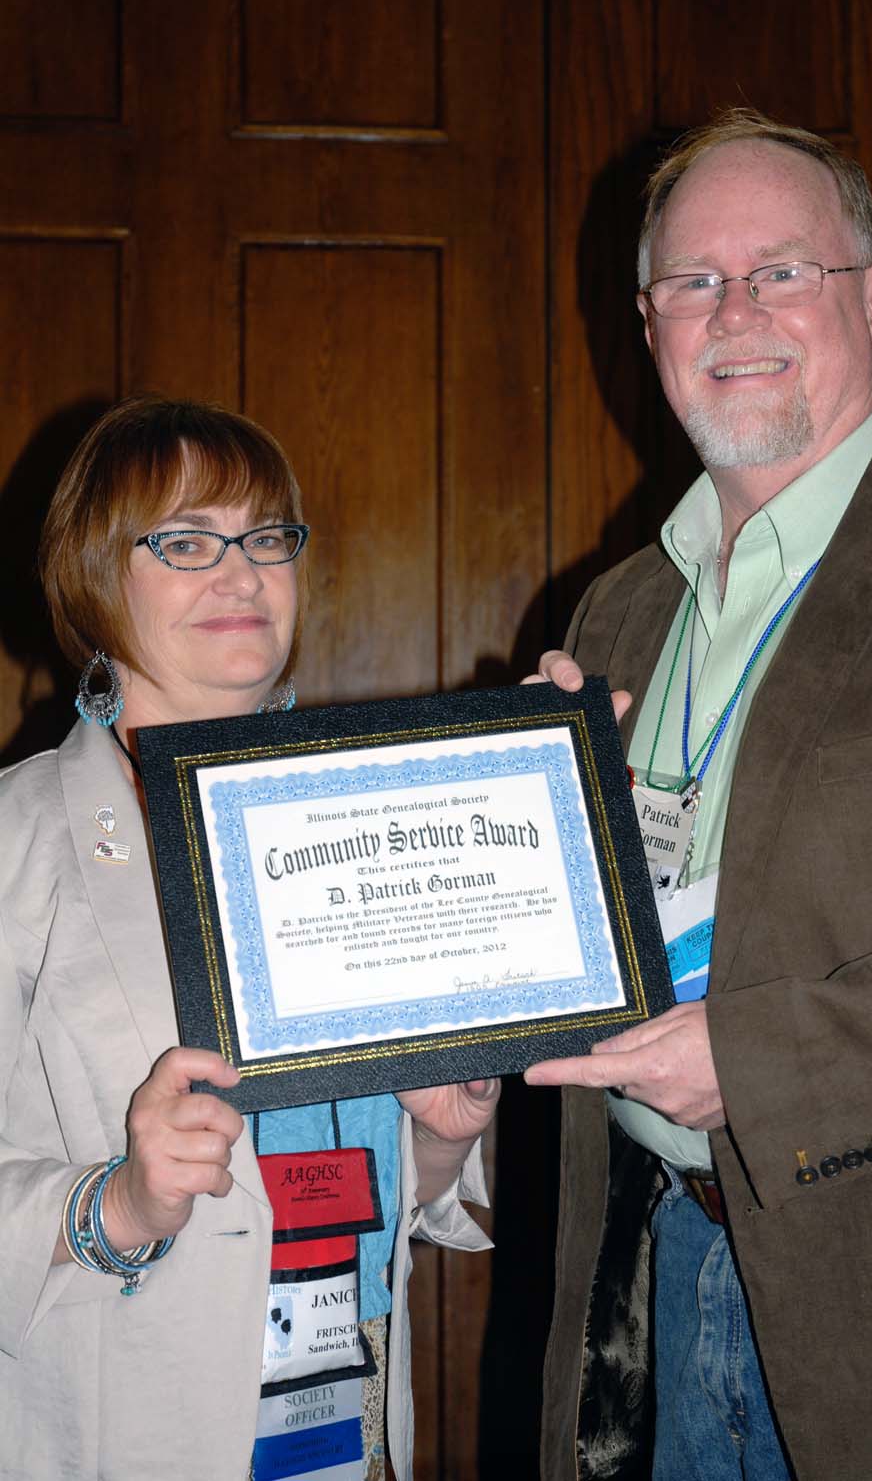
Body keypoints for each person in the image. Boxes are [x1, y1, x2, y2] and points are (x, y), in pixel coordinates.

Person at [524, 108, 872, 1481]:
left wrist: (759, 1061)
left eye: (781, 270)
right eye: (693, 281)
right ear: (648, 323)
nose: (734, 311)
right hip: (655, 1277)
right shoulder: (616, 611)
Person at [0, 395, 498, 1481]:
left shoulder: (364, 816)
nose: (242, 575)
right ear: (95, 573)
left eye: (267, 538)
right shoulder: (15, 838)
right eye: (187, 543)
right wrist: (114, 1206)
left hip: (350, 1412)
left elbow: (380, 1182)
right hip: (127, 1427)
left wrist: (438, 1141)